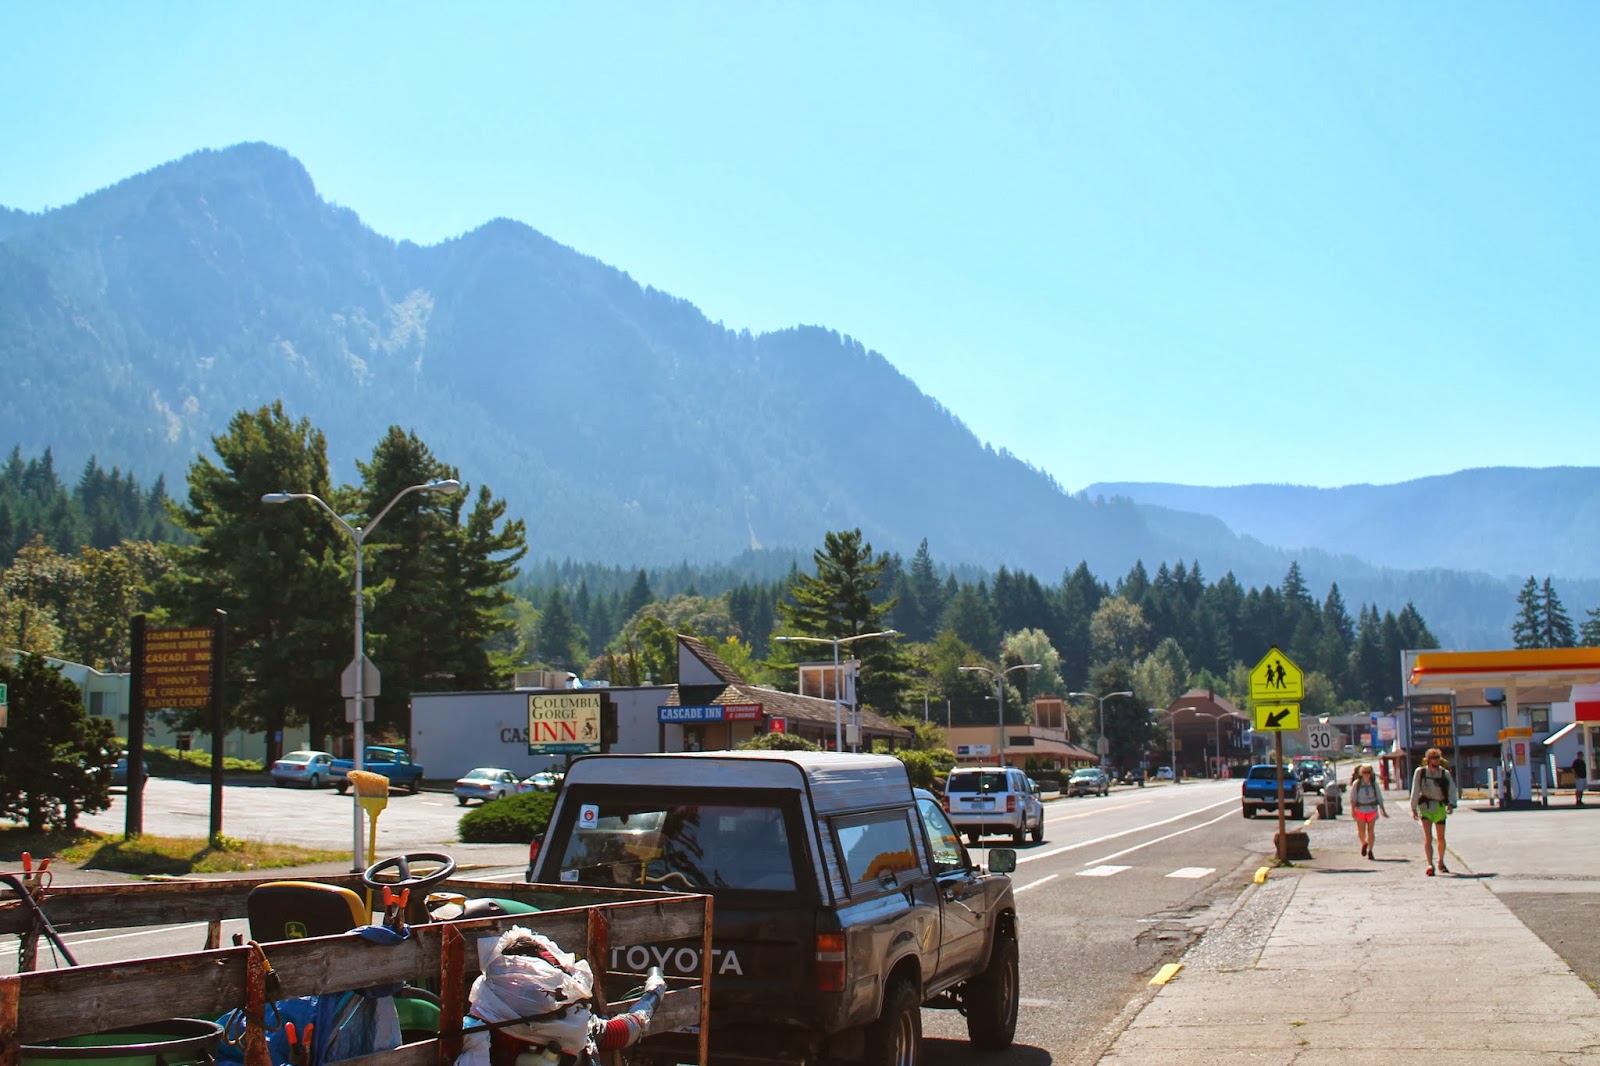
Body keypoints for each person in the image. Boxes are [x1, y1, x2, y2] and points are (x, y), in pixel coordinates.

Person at [1410, 748, 1457, 876]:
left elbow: (1452, 789)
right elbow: (1415, 789)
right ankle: (1430, 863)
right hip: (1425, 806)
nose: (1435, 761)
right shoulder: (1421, 772)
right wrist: (1413, 807)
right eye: (1433, 758)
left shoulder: (1444, 773)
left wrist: (1452, 804)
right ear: (1428, 760)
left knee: (1441, 837)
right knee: (1428, 837)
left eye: (1437, 758)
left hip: (1440, 806)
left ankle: (1441, 861)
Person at [1348, 763, 1388, 859]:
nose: (1366, 774)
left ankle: (1370, 850)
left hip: (1372, 809)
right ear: (1361, 773)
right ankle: (1364, 843)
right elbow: (1353, 799)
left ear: (1371, 773)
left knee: (1371, 831)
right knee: (1361, 831)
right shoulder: (1356, 784)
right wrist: (1352, 811)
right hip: (1360, 810)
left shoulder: (1374, 784)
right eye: (1364, 772)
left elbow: (1379, 798)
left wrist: (1383, 810)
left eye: (1368, 772)